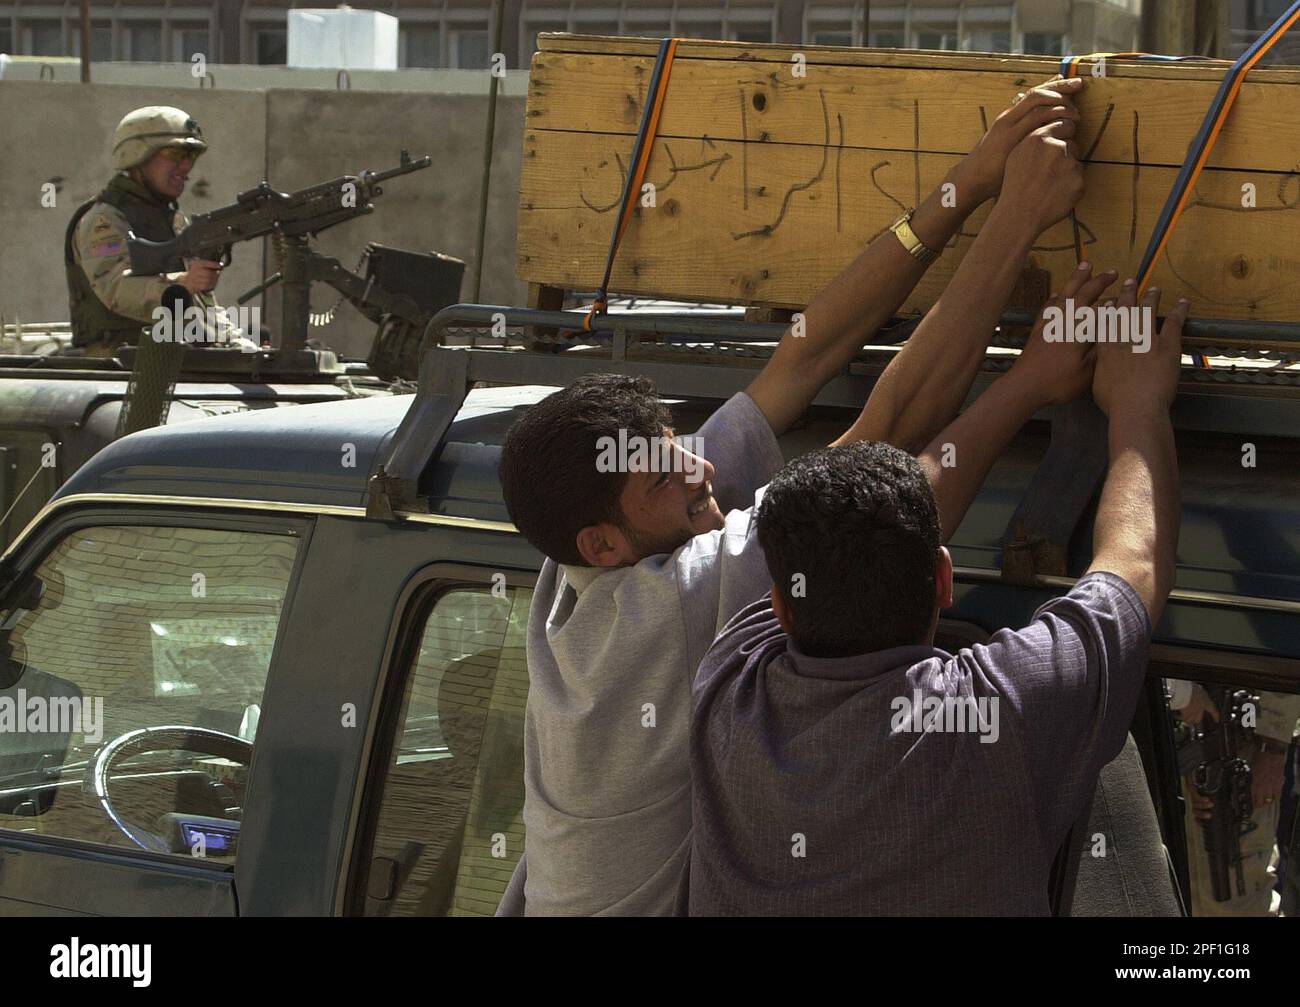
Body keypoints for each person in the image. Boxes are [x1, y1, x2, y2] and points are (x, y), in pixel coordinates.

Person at [495, 75, 1089, 915]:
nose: (702, 474)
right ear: (604, 544)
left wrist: (970, 182)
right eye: (671, 477)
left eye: (680, 449)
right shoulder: (666, 613)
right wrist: (1020, 240)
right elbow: (888, 452)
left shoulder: (576, 567)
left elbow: (803, 359)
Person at [688, 274, 1189, 915]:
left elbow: (1134, 564)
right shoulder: (1000, 710)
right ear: (944, 580)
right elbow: (1134, 562)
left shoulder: (728, 679)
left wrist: (1032, 381)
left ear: (780, 606)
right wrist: (1137, 401)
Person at [64, 105, 239, 356]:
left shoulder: (174, 220)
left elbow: (203, 306)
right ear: (137, 155)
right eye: (175, 154)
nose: (186, 166)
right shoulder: (104, 219)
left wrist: (237, 347)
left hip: (172, 357)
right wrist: (182, 282)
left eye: (190, 156)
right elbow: (115, 287)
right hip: (122, 365)